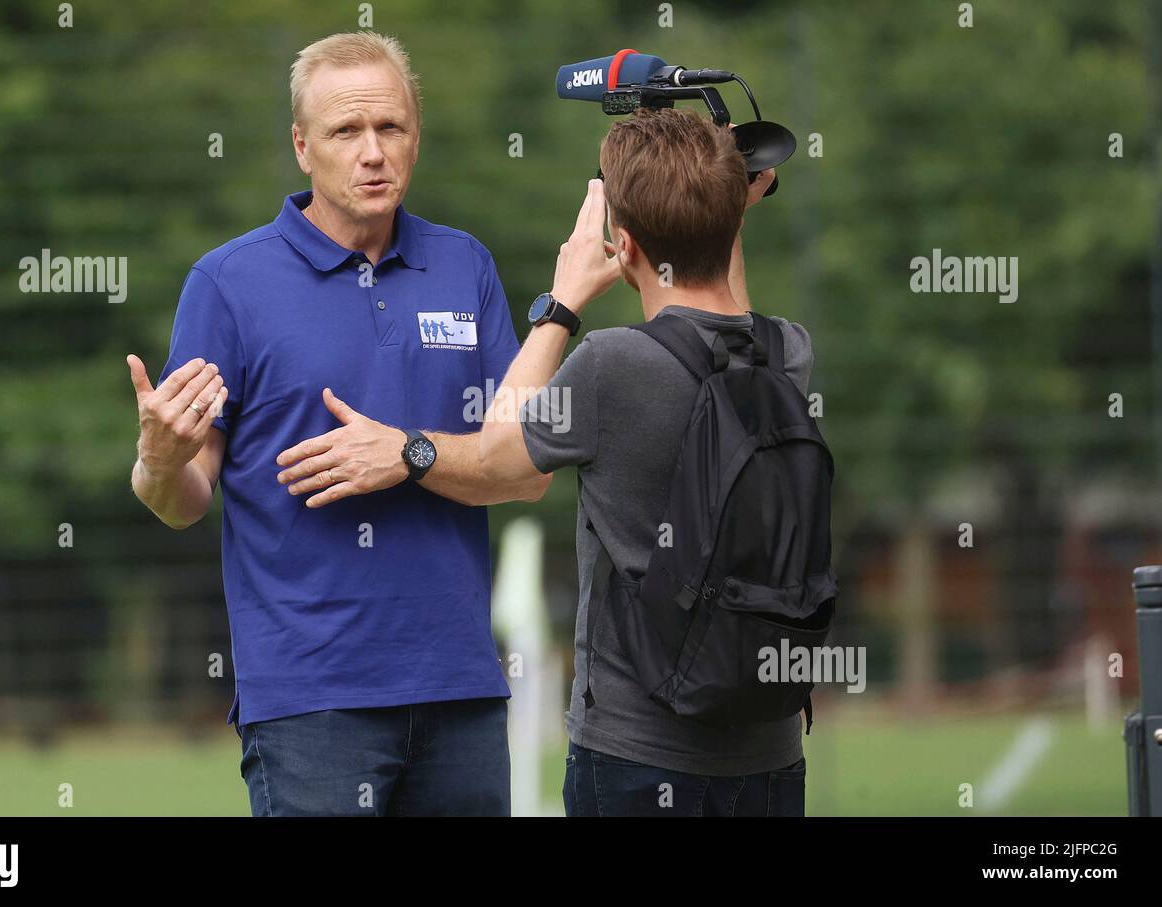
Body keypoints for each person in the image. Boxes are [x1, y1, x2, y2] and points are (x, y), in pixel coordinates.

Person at [125, 31, 547, 817]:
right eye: (346, 132)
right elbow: (180, 498)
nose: (373, 152)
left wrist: (409, 453)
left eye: (390, 128)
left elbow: (528, 469)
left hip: (461, 690)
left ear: (416, 136)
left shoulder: (466, 266)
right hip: (310, 703)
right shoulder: (227, 283)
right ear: (301, 146)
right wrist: (157, 458)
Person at [476, 108, 815, 816]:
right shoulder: (788, 354)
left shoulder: (612, 363)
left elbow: (496, 455)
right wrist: (722, 208)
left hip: (636, 756)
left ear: (624, 247)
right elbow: (730, 330)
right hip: (773, 753)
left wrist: (563, 303)